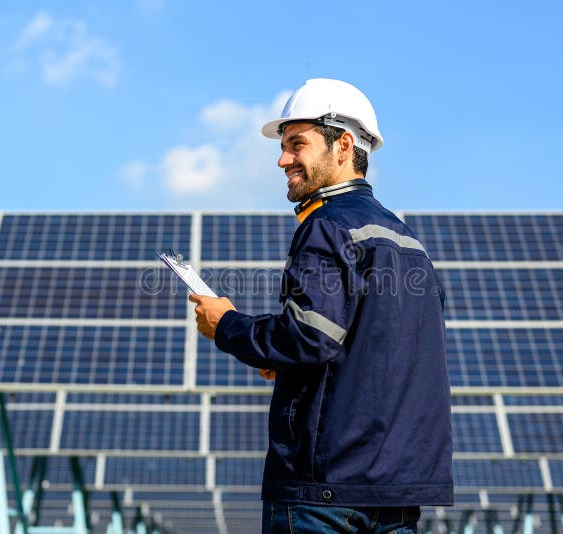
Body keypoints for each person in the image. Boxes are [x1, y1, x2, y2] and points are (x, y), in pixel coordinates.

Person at [191, 78, 452, 533]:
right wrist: (289, 362)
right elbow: (370, 352)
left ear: (343, 145)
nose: (282, 158)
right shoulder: (411, 245)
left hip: (323, 495)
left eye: (297, 144)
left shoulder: (327, 227)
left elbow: (308, 338)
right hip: (396, 494)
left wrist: (226, 324)